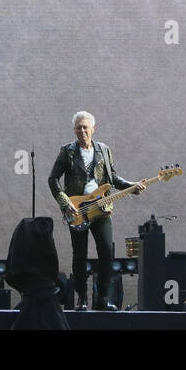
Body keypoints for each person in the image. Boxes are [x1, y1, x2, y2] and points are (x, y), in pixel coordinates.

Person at [47, 111, 144, 311]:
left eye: (85, 127)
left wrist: (132, 186)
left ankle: (102, 298)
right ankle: (82, 298)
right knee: (80, 254)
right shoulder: (67, 152)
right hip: (77, 210)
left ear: (93, 129)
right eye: (78, 128)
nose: (82, 131)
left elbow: (113, 178)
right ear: (74, 130)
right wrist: (65, 203)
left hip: (101, 208)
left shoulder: (104, 150)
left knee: (107, 252)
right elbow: (53, 179)